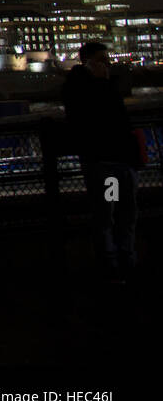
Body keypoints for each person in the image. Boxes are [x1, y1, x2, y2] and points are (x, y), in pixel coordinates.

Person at [61, 41, 140, 282]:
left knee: (123, 214)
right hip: (106, 161)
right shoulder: (87, 87)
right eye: (102, 60)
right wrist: (102, 84)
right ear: (88, 62)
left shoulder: (96, 85)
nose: (107, 65)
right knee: (111, 215)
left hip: (114, 160)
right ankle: (114, 265)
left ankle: (120, 261)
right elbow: (105, 116)